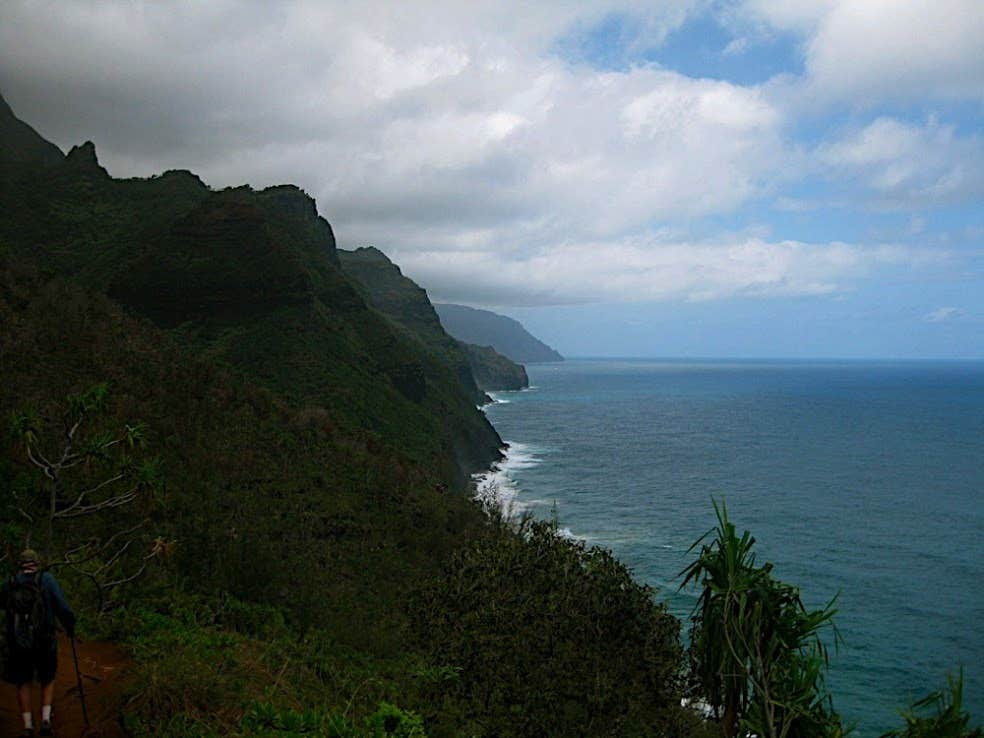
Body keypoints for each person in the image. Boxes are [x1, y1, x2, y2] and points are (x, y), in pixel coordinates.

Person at [1, 549, 76, 737]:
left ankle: (27, 726)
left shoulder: (10, 582)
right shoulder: (47, 579)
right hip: (45, 639)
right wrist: (70, 626)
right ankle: (45, 720)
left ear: (21, 564)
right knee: (47, 677)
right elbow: (62, 606)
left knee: (23, 681)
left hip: (18, 641)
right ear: (37, 563)